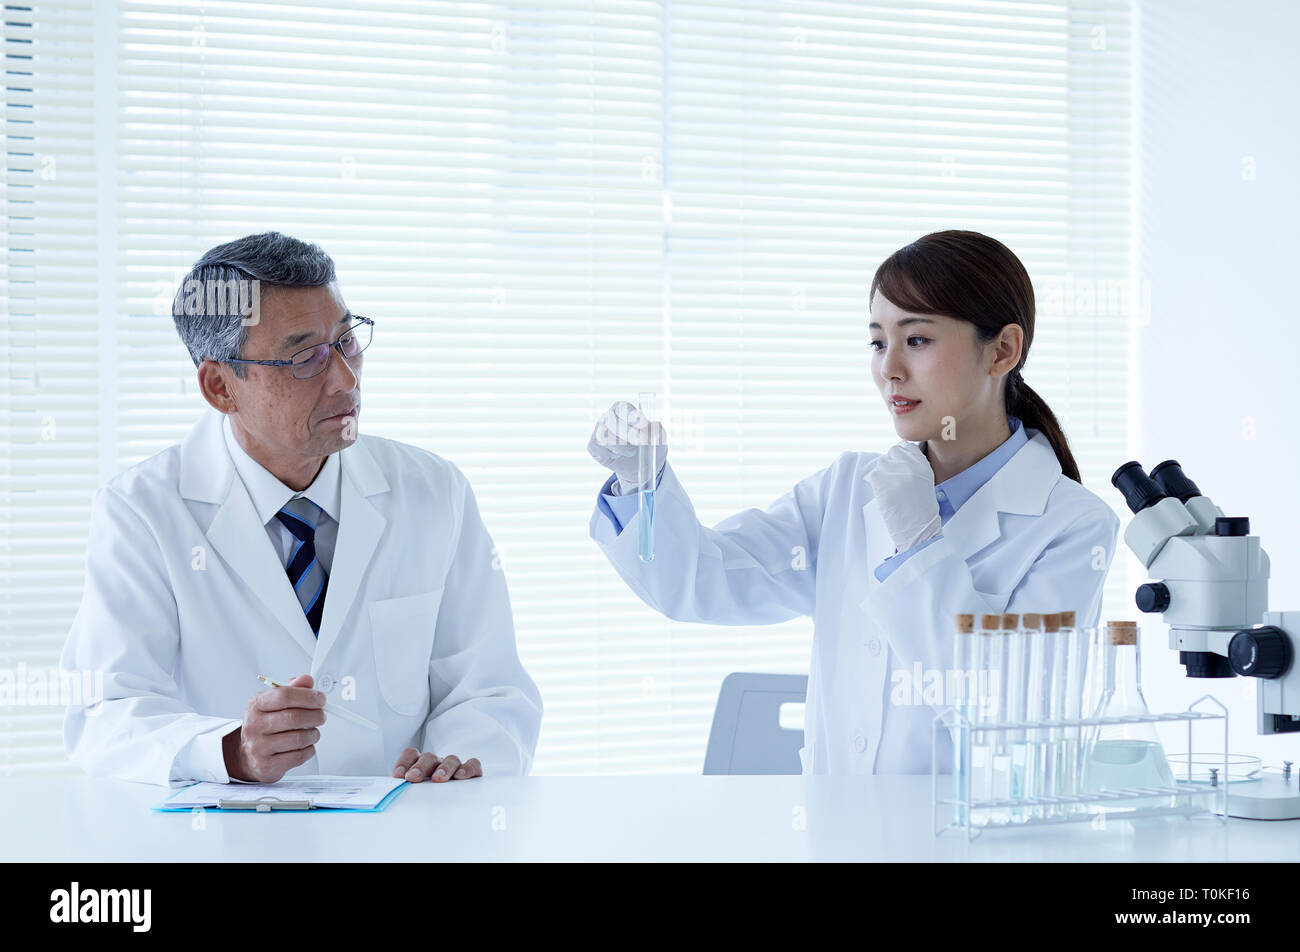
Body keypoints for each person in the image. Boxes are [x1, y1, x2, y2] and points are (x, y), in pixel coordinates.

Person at [586, 230, 1119, 775]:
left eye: (917, 340)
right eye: (877, 342)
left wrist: (918, 550)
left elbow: (1008, 715)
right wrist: (641, 488)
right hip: (835, 834)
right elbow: (703, 582)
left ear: (1002, 349)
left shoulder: (1072, 526)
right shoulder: (848, 489)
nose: (889, 368)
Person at [61, 232, 542, 786]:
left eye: (346, 340)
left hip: (406, 832)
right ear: (220, 386)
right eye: (304, 357)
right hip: (235, 839)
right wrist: (229, 753)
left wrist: (457, 759)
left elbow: (489, 686)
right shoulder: (142, 512)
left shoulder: (433, 491)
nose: (346, 379)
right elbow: (105, 709)